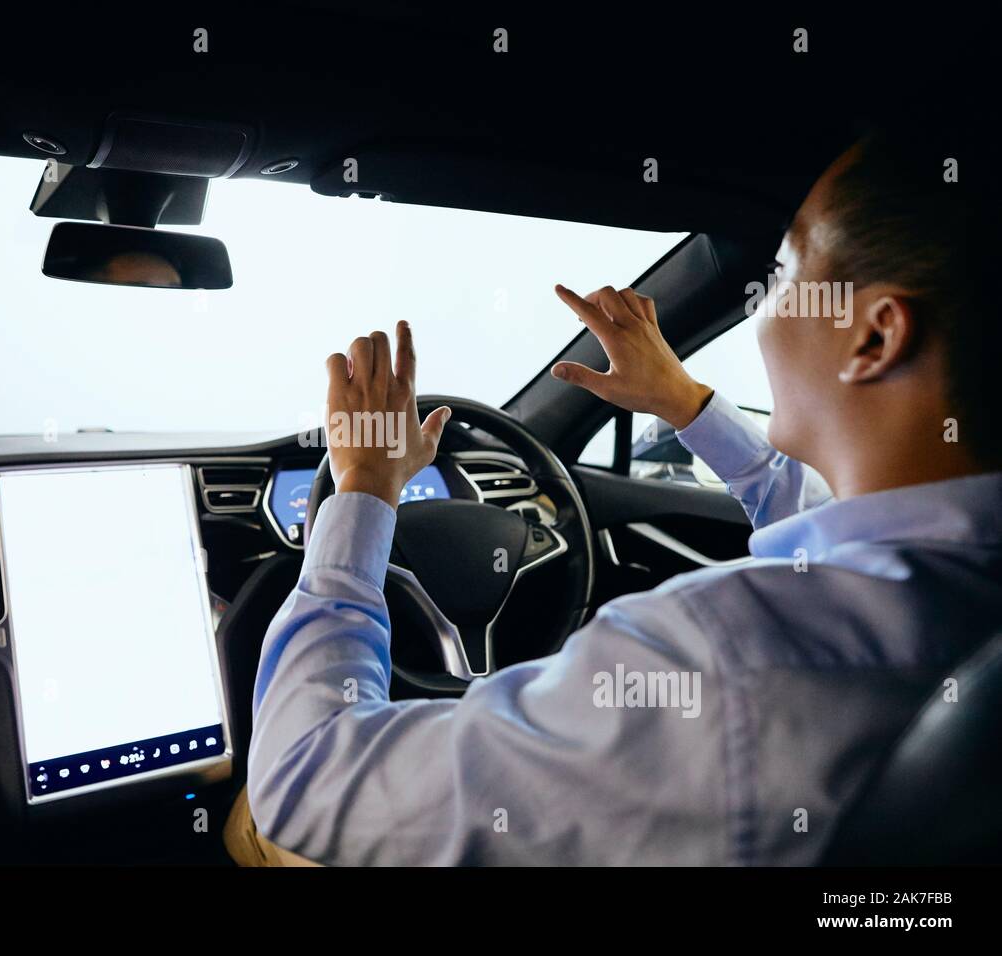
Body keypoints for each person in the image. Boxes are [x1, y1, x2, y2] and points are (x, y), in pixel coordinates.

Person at [225, 132, 1002, 865]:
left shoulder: (722, 655)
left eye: (784, 271)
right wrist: (689, 404)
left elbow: (305, 774)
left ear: (875, 336)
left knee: (255, 818)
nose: (762, 305)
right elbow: (834, 537)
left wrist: (362, 492)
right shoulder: (952, 583)